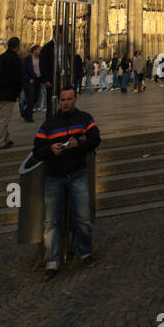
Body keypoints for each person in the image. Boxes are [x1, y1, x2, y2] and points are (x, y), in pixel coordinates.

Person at [33, 85, 101, 279]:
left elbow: (96, 138)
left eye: (69, 99)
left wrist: (79, 143)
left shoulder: (84, 118)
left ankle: (85, 252)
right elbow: (37, 148)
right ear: (59, 101)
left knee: (83, 217)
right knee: (51, 222)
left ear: (75, 99)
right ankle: (52, 261)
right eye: (63, 100)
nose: (66, 103)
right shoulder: (49, 124)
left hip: (77, 173)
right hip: (54, 176)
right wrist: (50, 149)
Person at [0, 37, 24, 150]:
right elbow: (17, 77)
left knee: (0, 118)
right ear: (17, 46)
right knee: (3, 119)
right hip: (7, 93)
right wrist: (18, 91)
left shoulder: (1, 57)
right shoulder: (14, 59)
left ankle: (5, 139)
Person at [22, 45, 42, 120]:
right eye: (39, 49)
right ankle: (29, 116)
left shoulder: (40, 59)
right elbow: (23, 71)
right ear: (34, 50)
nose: (40, 51)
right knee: (31, 98)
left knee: (36, 97)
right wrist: (28, 79)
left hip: (38, 79)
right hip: (30, 81)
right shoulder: (27, 59)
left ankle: (25, 112)